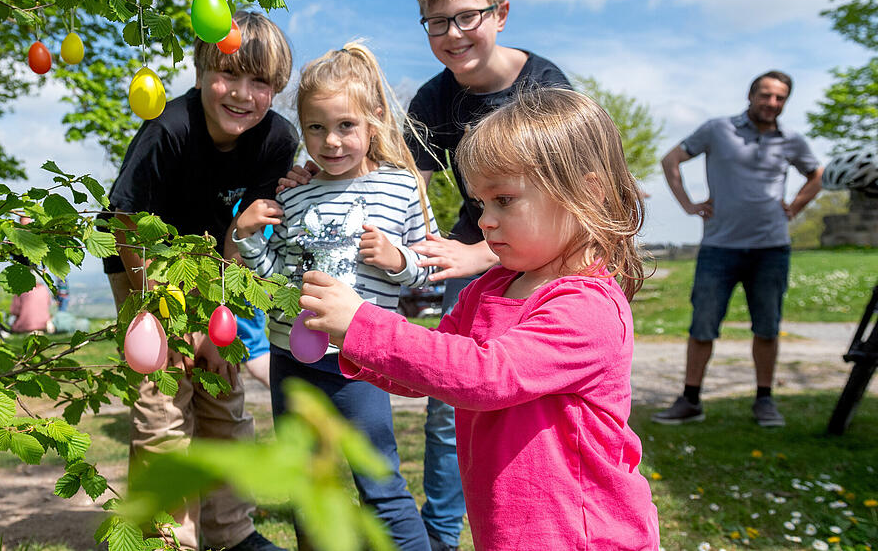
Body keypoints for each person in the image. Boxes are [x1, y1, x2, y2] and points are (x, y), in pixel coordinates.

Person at [277, 0, 571, 550]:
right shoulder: (435, 100)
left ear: (502, 12)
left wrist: (475, 255)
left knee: (510, 398)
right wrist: (318, 176)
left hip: (535, 259)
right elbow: (403, 182)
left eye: (468, 17)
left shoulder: (545, 91)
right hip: (471, 255)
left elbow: (562, 212)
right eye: (438, 22)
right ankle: (439, 537)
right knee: (449, 406)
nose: (453, 33)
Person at [299, 88, 660, 550]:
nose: (485, 221)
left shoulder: (587, 305)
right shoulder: (490, 288)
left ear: (585, 192)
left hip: (582, 535)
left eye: (504, 200)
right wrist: (349, 342)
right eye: (481, 204)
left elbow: (486, 375)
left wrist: (364, 325)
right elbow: (435, 370)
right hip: (509, 530)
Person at [102, 10, 296, 551]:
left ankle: (231, 534)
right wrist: (162, 313)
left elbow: (246, 229)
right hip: (142, 264)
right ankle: (167, 538)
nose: (242, 93)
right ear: (199, 68)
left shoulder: (278, 139)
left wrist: (216, 321)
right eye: (228, 75)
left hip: (217, 267)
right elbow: (125, 225)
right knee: (163, 399)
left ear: (276, 89)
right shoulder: (167, 128)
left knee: (223, 392)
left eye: (259, 82)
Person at [233, 42, 437, 551]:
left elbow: (425, 273)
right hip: (291, 360)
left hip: (360, 363)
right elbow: (274, 285)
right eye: (316, 128)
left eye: (346, 125)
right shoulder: (293, 195)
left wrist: (398, 259)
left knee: (380, 485)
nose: (331, 141)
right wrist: (246, 239)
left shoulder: (402, 187)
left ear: (373, 122)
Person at [652, 71, 823, 427]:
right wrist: (688, 205)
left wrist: (795, 207)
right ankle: (691, 400)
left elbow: (816, 174)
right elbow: (671, 160)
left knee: (767, 328)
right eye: (765, 95)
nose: (772, 103)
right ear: (750, 95)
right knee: (703, 326)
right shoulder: (717, 129)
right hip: (719, 248)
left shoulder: (791, 140)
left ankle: (764, 401)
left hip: (771, 248)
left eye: (780, 98)